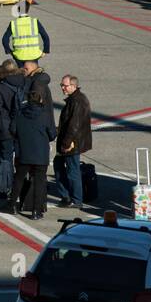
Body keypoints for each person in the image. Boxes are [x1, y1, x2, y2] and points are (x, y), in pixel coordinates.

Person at [4, 88, 56, 219]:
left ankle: (12, 204)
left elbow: (13, 130)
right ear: (40, 100)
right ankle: (36, 211)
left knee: (19, 179)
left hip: (24, 151)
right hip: (40, 153)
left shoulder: (20, 113)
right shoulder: (45, 115)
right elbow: (52, 134)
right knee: (39, 181)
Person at [54, 75, 92, 210]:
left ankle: (75, 199)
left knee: (72, 170)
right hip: (72, 141)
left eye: (65, 85)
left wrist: (66, 143)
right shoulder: (75, 99)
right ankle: (68, 196)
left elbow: (73, 126)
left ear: (74, 86)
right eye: (61, 85)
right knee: (61, 165)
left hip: (72, 143)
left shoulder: (77, 101)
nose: (62, 88)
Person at [0, 60, 24, 198]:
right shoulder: (25, 82)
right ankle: (21, 187)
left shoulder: (0, 87)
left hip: (5, 128)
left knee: (5, 158)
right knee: (21, 159)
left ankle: (5, 188)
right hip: (23, 127)